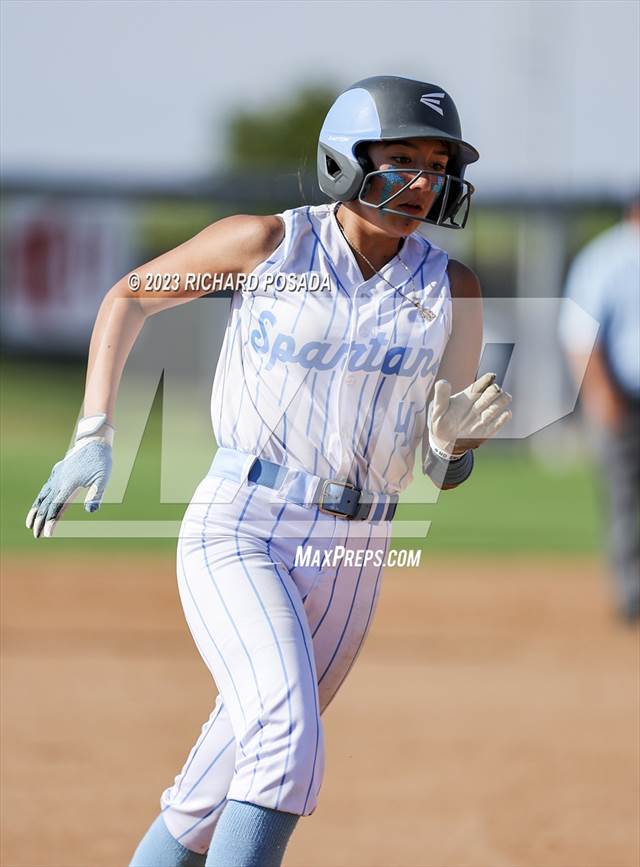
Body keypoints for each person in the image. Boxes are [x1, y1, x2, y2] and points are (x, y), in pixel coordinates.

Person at [26, 76, 512, 867]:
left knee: (210, 796)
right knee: (286, 742)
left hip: (355, 557)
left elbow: (438, 469)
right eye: (401, 159)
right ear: (345, 159)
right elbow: (129, 297)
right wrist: (92, 430)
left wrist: (455, 448)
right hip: (242, 522)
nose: (422, 181)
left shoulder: (450, 288)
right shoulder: (272, 244)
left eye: (435, 164)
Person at [560, 198, 640, 623]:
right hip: (622, 398)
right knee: (624, 498)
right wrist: (599, 393)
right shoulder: (609, 258)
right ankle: (632, 597)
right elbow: (579, 331)